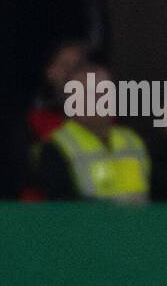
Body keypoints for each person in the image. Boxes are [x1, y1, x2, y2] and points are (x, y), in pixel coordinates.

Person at [29, 62, 152, 203]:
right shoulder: (54, 148)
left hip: (140, 225)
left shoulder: (132, 140)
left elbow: (157, 192)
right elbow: (62, 209)